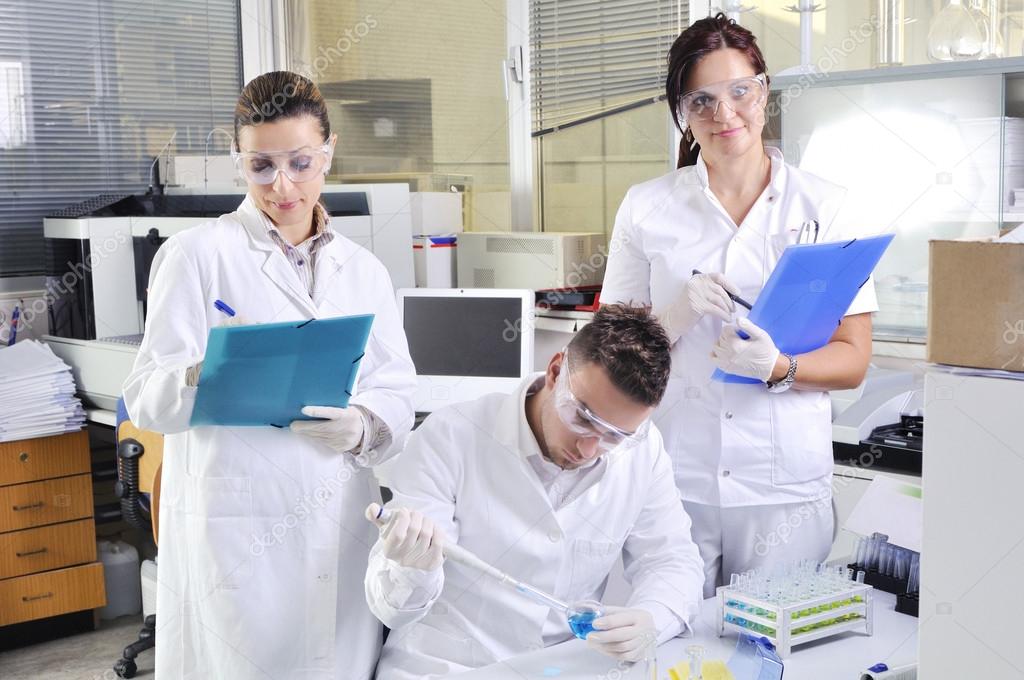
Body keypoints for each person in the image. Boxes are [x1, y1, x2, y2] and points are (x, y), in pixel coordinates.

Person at [123, 71, 416, 680]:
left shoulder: (363, 271)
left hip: (336, 512)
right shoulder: (197, 256)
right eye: (260, 166)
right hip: (237, 526)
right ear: (239, 163)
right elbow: (145, 400)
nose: (282, 185)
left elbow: (397, 390)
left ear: (329, 152)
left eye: (301, 162)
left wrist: (363, 426)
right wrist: (204, 373)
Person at [600, 14, 876, 598]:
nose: (724, 114)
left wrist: (780, 368)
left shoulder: (827, 205)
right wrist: (669, 320)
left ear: (765, 90)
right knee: (668, 647)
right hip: (676, 478)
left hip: (784, 489)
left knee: (768, 651)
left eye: (739, 91)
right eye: (701, 99)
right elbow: (608, 356)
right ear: (680, 110)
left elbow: (853, 360)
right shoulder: (646, 207)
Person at [363, 304, 704, 680]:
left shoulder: (643, 450)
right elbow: (392, 609)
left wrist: (653, 618)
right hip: (446, 668)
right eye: (583, 419)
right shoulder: (451, 435)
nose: (588, 450)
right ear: (556, 371)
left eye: (614, 436)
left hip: (559, 670)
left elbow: (672, 559)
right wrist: (412, 568)